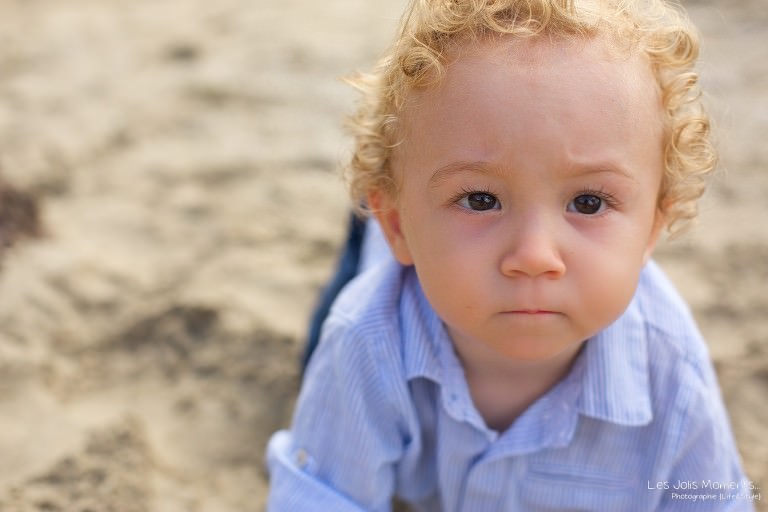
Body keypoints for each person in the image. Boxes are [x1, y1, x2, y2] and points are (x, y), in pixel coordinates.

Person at [267, 0, 754, 509]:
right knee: (317, 366)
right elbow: (320, 494)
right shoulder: (367, 338)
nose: (535, 256)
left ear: (653, 227)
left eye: (588, 202)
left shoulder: (670, 367)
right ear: (398, 225)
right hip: (384, 264)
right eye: (481, 199)